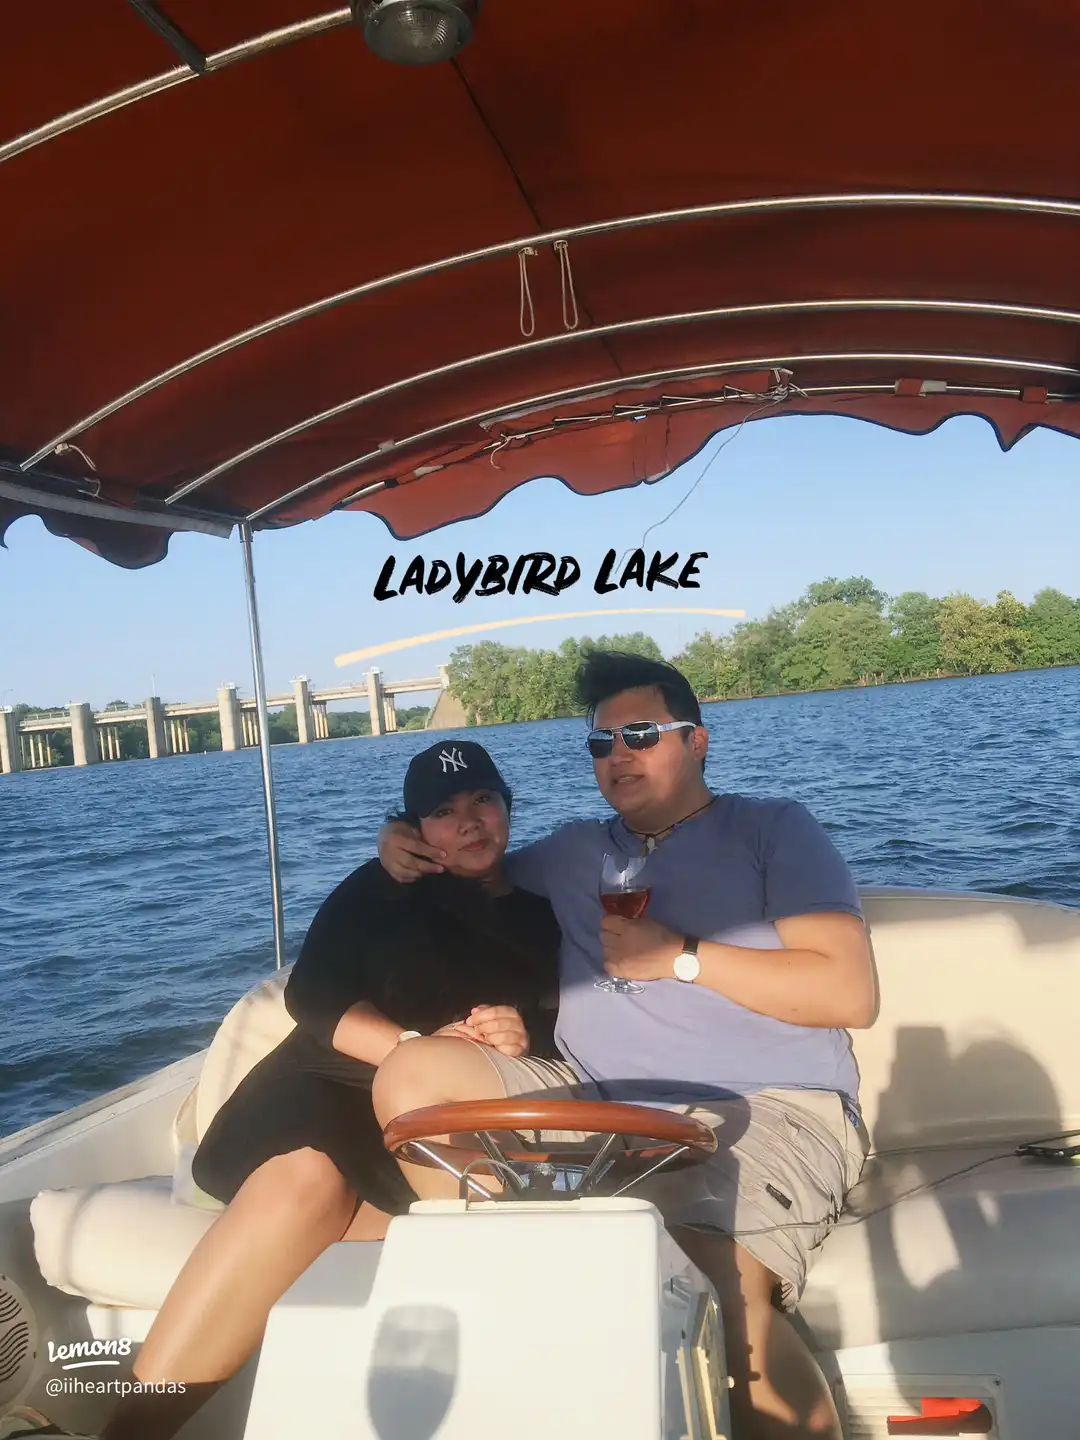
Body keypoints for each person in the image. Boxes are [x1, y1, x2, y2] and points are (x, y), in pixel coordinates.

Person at [375, 651, 876, 1440]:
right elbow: (472, 860)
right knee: (414, 1075)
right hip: (601, 1107)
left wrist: (680, 957)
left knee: (695, 1281)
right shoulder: (574, 850)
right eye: (601, 745)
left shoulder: (773, 830)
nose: (617, 757)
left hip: (766, 1107)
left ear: (698, 740)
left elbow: (849, 993)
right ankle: (516, 1290)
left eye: (639, 734)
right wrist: (397, 843)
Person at [6, 741, 562, 1440]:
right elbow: (315, 997)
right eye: (444, 811)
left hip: (422, 1124)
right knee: (309, 1181)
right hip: (317, 1093)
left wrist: (520, 1034)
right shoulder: (382, 886)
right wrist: (413, 1050)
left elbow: (551, 1027)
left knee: (377, 1241)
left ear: (508, 804)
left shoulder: (542, 919)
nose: (470, 820)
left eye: (483, 799)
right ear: (417, 830)